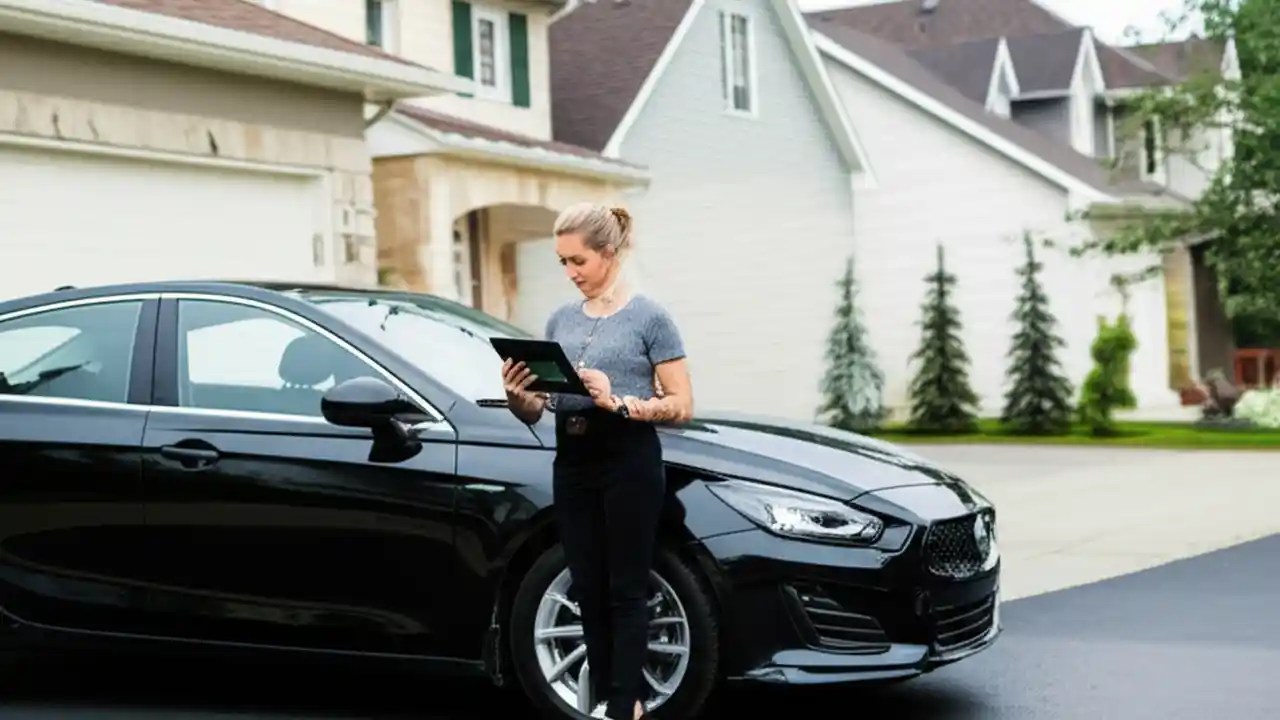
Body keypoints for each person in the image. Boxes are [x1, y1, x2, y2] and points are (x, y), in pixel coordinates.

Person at [500, 202, 693, 720]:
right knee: (587, 585)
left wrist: (619, 402)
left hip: (627, 456)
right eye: (562, 262)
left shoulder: (650, 317)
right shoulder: (560, 319)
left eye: (578, 261)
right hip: (572, 459)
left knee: (625, 586)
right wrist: (521, 400)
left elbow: (681, 404)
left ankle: (626, 703)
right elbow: (540, 407)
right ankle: (607, 699)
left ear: (609, 253)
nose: (569, 272)